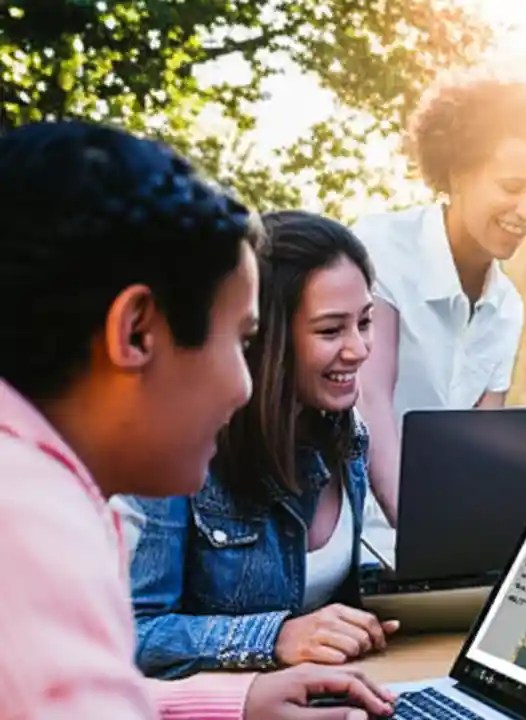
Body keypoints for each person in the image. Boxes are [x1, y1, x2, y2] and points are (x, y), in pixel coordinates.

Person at [0, 121, 393, 717]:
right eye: (240, 340)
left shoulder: (45, 487)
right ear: (136, 332)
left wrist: (236, 703)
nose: (242, 385)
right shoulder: (29, 526)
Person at [121, 211, 398, 679]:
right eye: (331, 330)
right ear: (264, 338)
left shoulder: (348, 437)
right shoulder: (175, 451)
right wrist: (275, 637)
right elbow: (135, 635)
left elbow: (324, 601)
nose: (360, 349)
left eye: (365, 322)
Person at [352, 69, 526, 561]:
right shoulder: (382, 251)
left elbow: (481, 449)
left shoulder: (506, 307)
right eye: (512, 186)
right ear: (458, 173)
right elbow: (369, 405)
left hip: (438, 548)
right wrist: (428, 541)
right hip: (361, 539)